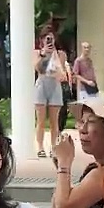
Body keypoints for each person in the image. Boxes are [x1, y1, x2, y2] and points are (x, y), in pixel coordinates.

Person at [34, 28, 66, 158]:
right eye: (46, 38)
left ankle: (54, 147)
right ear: (41, 40)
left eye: (51, 39)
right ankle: (40, 147)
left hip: (55, 86)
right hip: (41, 85)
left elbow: (60, 73)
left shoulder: (60, 54)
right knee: (40, 120)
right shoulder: (37, 53)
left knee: (54, 121)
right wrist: (44, 54)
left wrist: (55, 56)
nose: (49, 41)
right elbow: (38, 69)